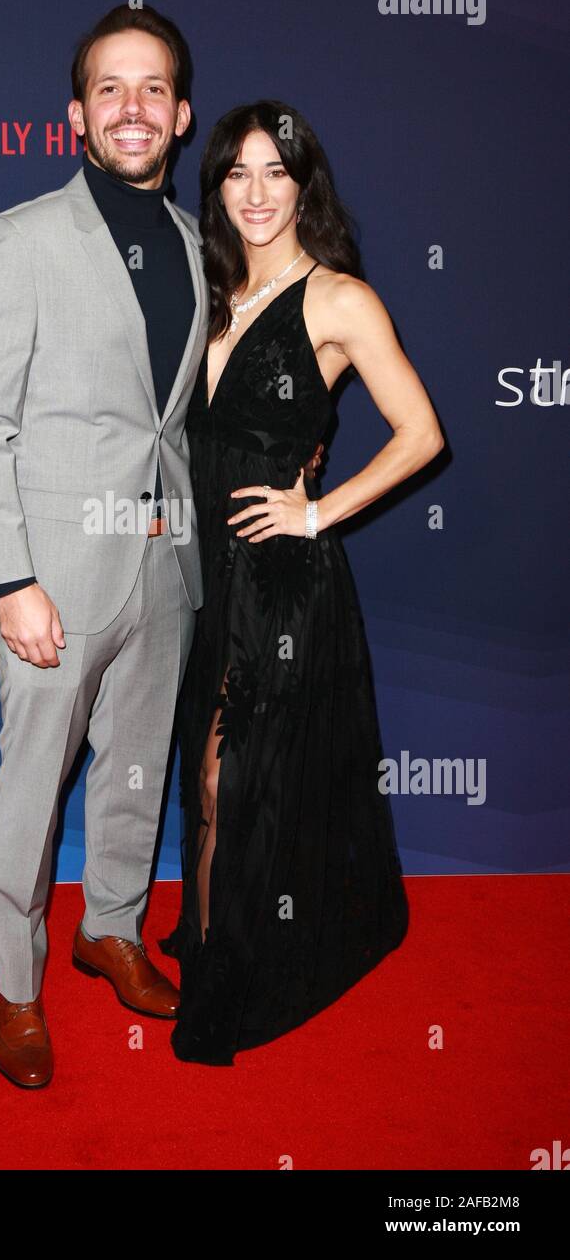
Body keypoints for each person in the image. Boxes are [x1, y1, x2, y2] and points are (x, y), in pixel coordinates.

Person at [0, 4, 210, 1089]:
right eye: (110, 88)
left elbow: (170, 418)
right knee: (31, 789)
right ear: (76, 115)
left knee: (135, 777)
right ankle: (16, 987)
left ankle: (112, 929)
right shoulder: (16, 240)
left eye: (152, 89)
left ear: (180, 114)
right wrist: (8, 578)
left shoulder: (198, 246)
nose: (131, 108)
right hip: (52, 572)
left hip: (163, 566)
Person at [159, 103, 444, 1066]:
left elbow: (422, 435)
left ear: (302, 183)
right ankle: (205, 936)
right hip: (196, 576)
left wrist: (316, 512)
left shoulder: (340, 300)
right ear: (217, 189)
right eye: (235, 173)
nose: (254, 191)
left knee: (225, 777)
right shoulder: (205, 288)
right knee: (197, 789)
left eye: (274, 171)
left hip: (278, 585)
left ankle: (222, 980)